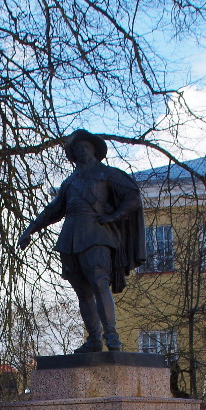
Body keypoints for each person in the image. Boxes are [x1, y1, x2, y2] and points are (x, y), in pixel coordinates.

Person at [17, 130, 145, 353]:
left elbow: (133, 197)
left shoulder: (108, 174)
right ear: (73, 155)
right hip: (70, 237)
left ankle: (112, 338)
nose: (81, 151)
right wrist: (30, 229)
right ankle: (94, 339)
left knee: (99, 282)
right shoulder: (69, 182)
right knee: (82, 292)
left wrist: (113, 217)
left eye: (85, 146)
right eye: (77, 149)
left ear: (94, 149)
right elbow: (53, 210)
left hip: (97, 235)